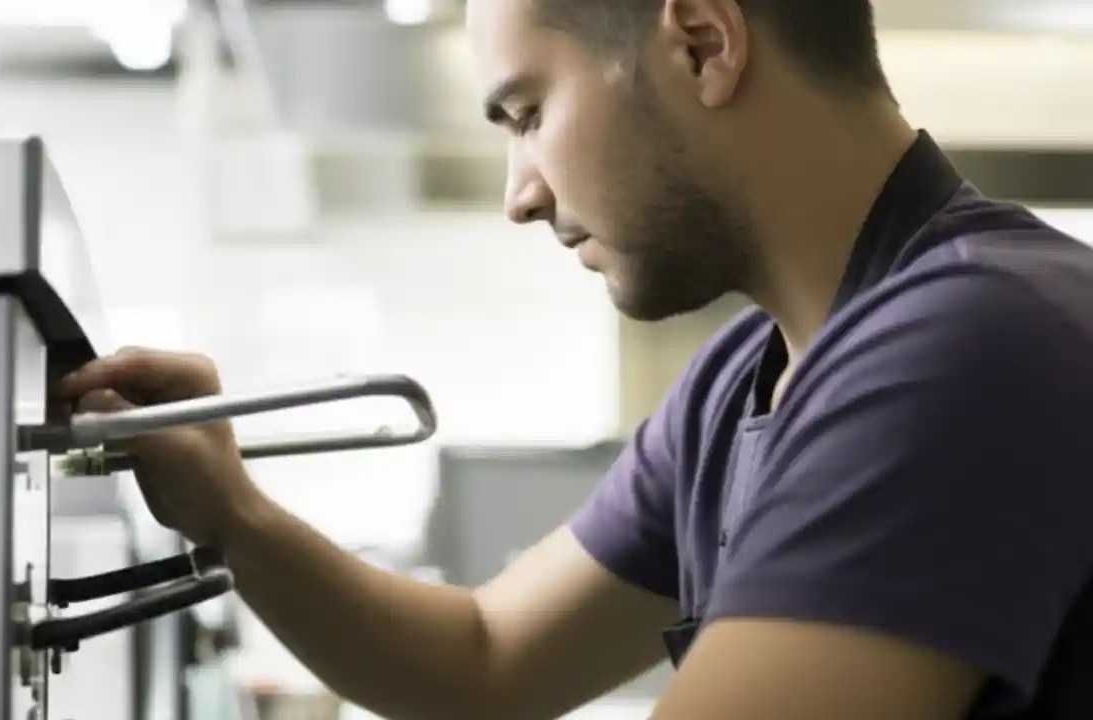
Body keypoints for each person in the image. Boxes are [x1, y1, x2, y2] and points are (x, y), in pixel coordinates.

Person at [58, 0, 1093, 717]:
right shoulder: (743, 381)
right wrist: (231, 515)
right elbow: (482, 662)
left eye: (527, 113)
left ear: (700, 43)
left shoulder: (972, 342)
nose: (520, 191)